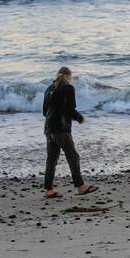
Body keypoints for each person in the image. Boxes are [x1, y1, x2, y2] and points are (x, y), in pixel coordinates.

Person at [42, 66, 98, 198]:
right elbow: (70, 109)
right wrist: (80, 118)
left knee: (51, 159)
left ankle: (48, 190)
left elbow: (45, 112)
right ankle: (80, 186)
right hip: (61, 129)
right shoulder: (68, 88)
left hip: (49, 128)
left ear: (57, 75)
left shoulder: (49, 89)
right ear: (69, 77)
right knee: (73, 156)